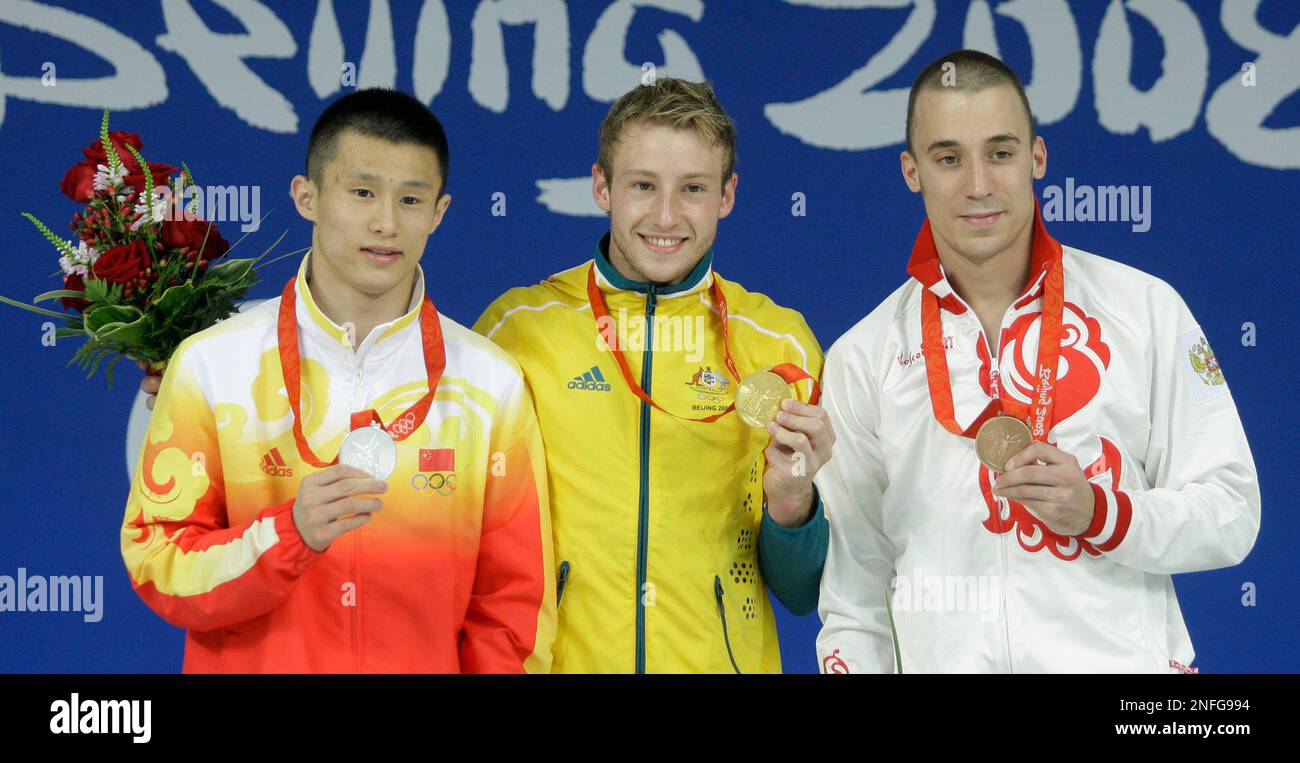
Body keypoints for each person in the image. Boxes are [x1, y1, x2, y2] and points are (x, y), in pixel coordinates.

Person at [814, 50, 1261, 673]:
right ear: (911, 171)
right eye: (948, 158)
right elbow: (853, 598)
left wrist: (1102, 511)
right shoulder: (863, 357)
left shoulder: (1145, 309)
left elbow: (1231, 511)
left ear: (1037, 158)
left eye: (1000, 152)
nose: (978, 184)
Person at [123, 88, 555, 673]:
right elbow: (159, 561)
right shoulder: (211, 365)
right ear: (308, 197)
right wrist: (286, 535)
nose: (385, 221)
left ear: (439, 213)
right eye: (362, 192)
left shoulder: (490, 381)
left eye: (410, 199)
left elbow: (514, 604)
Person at [472, 78, 834, 673]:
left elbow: (804, 592)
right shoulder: (517, 330)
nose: (666, 216)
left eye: (693, 188)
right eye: (643, 185)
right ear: (601, 187)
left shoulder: (780, 342)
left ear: (727, 195)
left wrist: (793, 505)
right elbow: (464, 540)